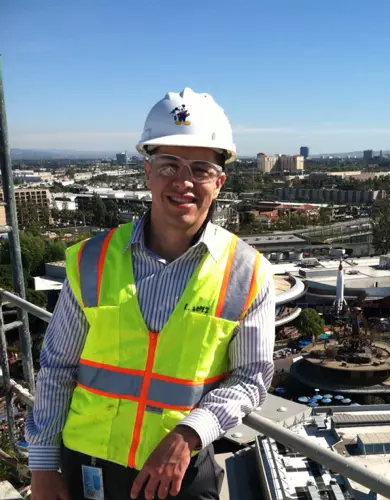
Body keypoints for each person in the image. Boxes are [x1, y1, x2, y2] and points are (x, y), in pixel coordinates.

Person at [26, 88, 276, 500]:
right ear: (147, 173)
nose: (183, 182)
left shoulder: (246, 273)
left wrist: (189, 433)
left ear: (219, 181)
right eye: (169, 165)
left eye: (199, 168)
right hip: (89, 465)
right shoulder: (93, 260)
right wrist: (42, 466)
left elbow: (251, 378)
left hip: (179, 472)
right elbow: (57, 367)